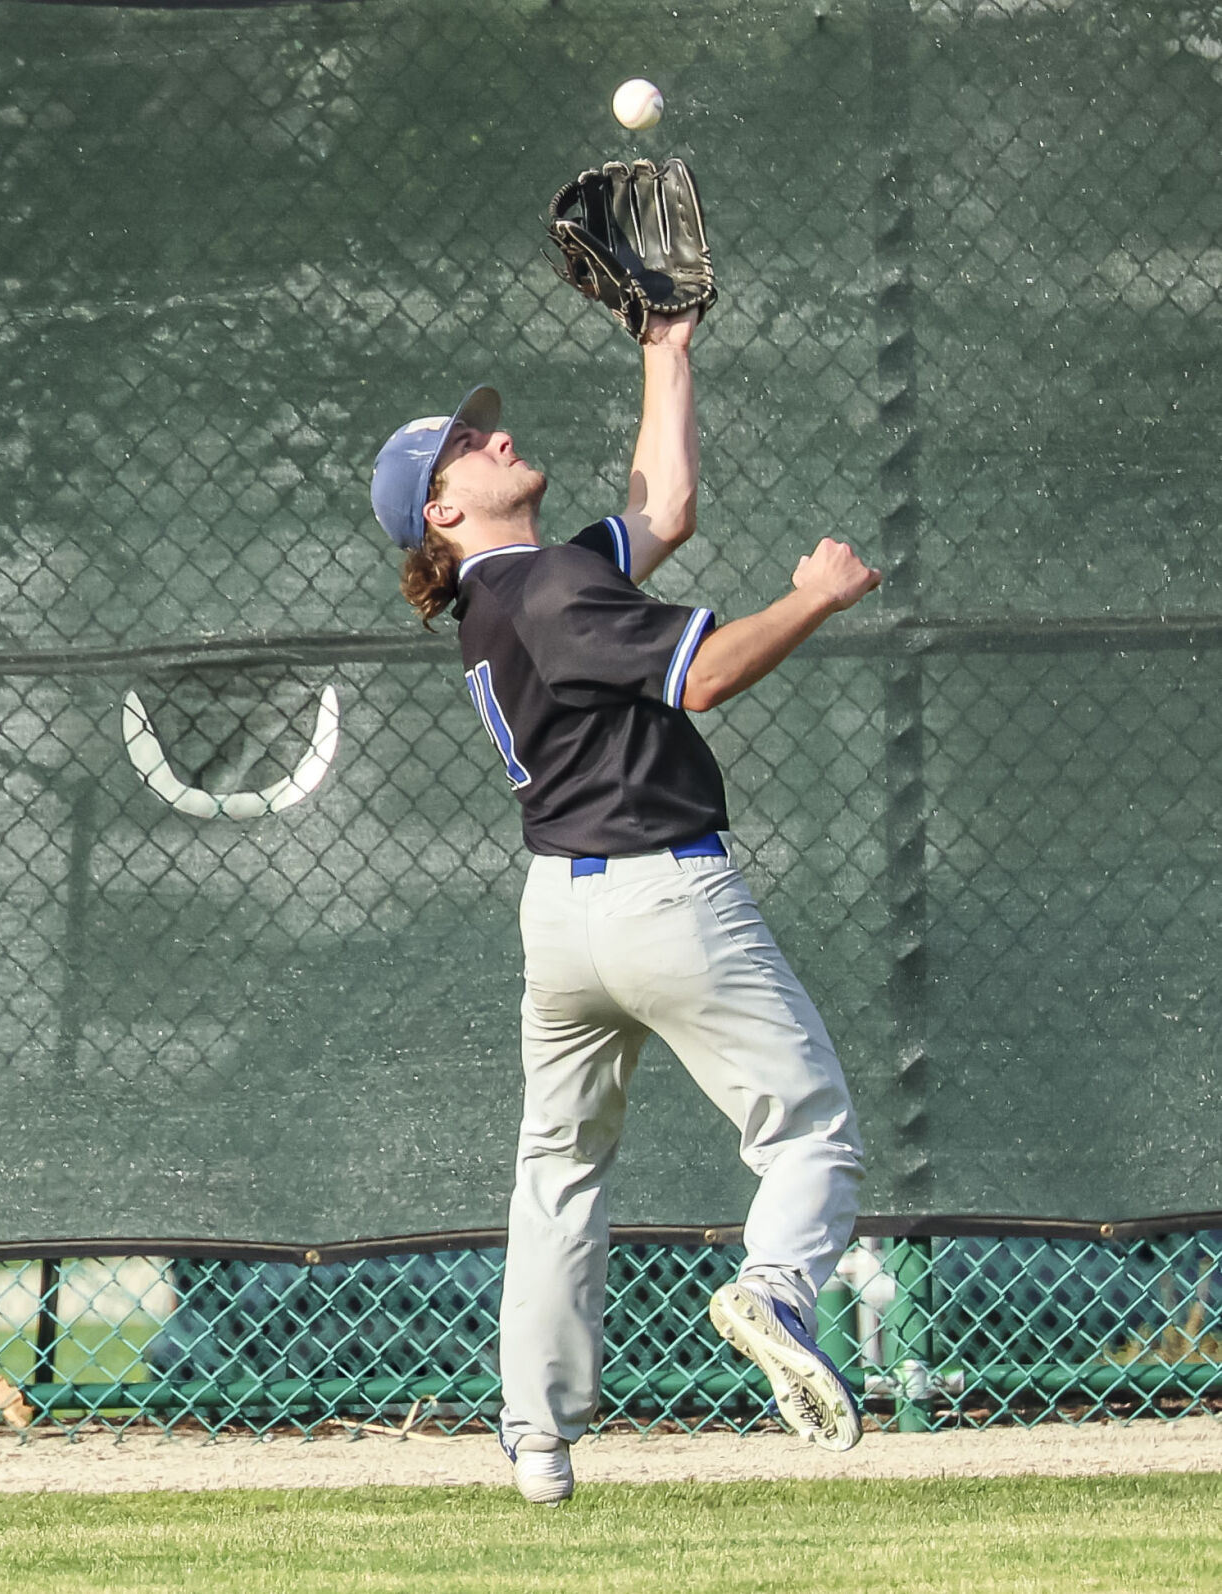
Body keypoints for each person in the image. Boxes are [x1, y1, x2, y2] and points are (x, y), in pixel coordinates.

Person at [370, 307, 881, 1505]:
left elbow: (664, 512)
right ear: (442, 512)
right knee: (809, 1132)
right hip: (666, 895)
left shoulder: (512, 593)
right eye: (468, 448)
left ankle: (537, 1444)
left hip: (559, 916)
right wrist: (814, 597)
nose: (497, 441)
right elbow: (699, 674)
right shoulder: (552, 587)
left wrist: (666, 344)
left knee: (556, 1167)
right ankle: (778, 1290)